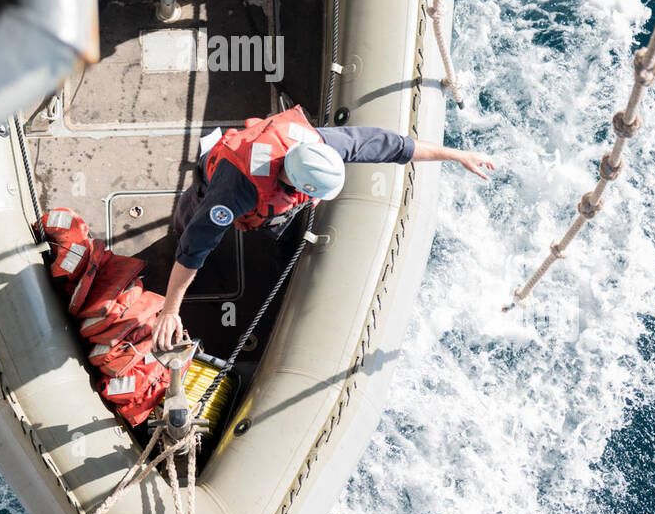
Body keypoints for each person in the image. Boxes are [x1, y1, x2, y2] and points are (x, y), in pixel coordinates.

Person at [152, 105, 495, 350]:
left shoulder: (318, 145)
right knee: (188, 227)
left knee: (278, 226)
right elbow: (195, 248)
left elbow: (389, 145)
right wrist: (170, 311)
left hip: (268, 202)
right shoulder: (234, 192)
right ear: (298, 184)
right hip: (217, 183)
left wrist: (455, 155)